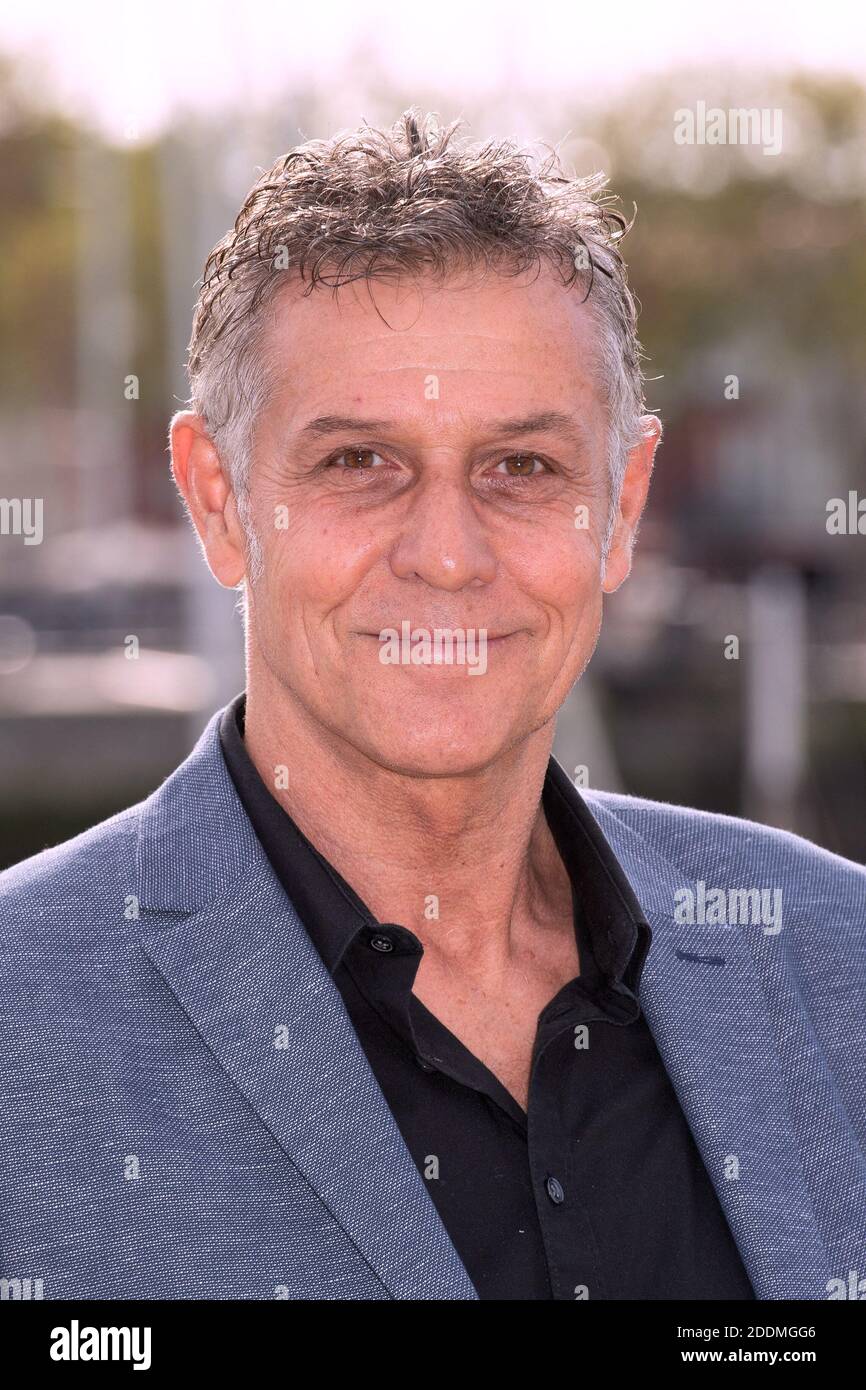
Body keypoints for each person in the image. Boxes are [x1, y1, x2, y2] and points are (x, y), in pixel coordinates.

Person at [1, 110, 863, 1302]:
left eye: (522, 467)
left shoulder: (837, 959)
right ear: (215, 500)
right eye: (361, 462)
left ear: (617, 509)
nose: (447, 555)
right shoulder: (19, 1018)